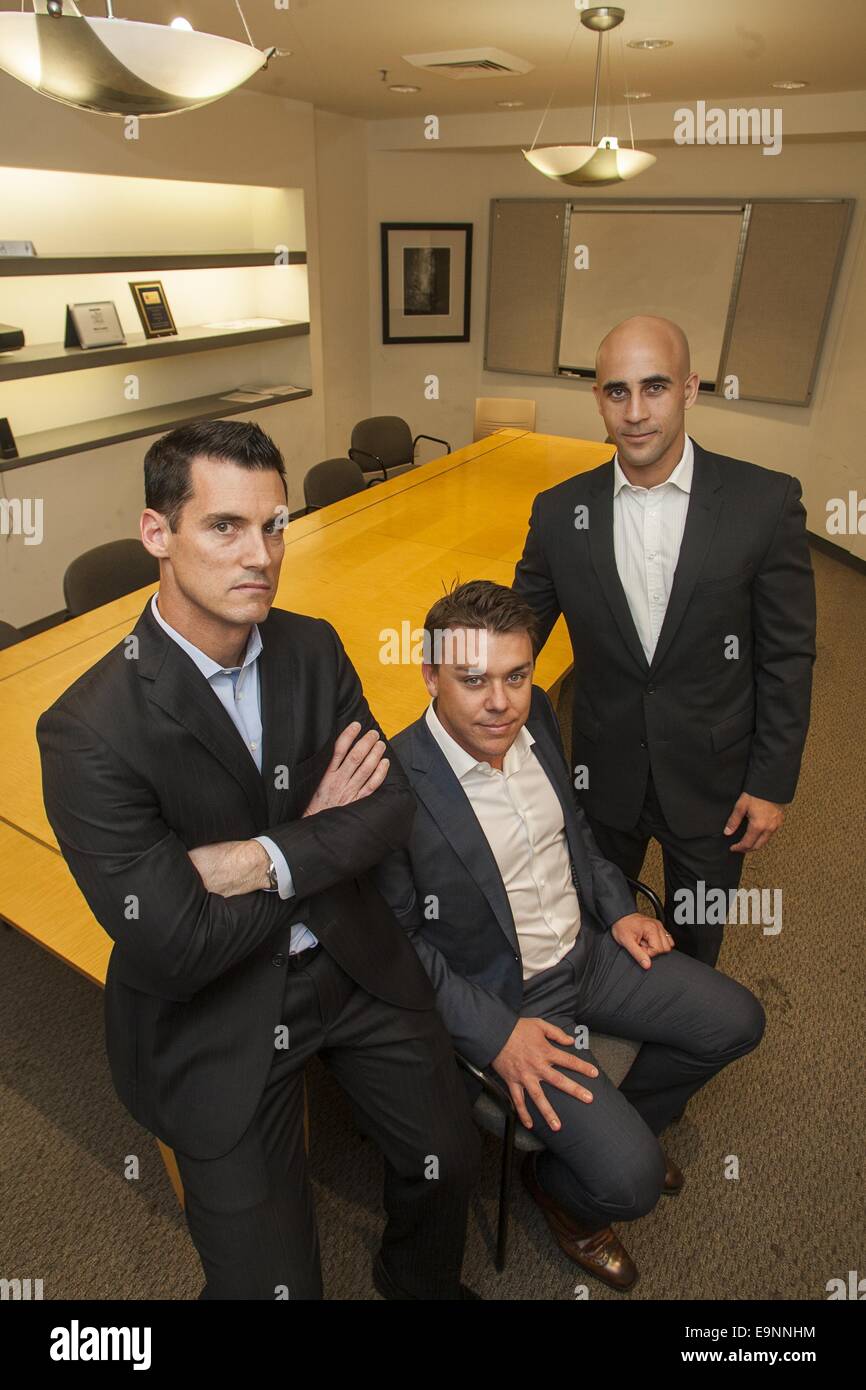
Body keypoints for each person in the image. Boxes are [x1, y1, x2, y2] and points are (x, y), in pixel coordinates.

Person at [36, 419, 480, 1301]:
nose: (261, 555)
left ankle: (415, 1284)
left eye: (274, 524)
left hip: (350, 957)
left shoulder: (311, 645)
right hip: (217, 1008)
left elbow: (390, 807)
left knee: (451, 1155)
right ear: (157, 535)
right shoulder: (88, 730)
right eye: (225, 526)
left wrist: (261, 856)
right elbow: (176, 941)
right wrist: (315, 835)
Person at [373, 580, 765, 1291]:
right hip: (511, 1001)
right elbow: (399, 949)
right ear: (429, 675)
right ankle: (564, 1191)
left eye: (516, 676)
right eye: (473, 681)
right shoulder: (391, 787)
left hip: (588, 951)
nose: (501, 703)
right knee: (633, 1186)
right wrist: (496, 1036)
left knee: (738, 1021)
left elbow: (574, 831)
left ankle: (616, 1134)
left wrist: (616, 908)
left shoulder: (539, 721)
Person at [512, 315, 816, 966]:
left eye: (655, 387)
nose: (636, 411)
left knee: (695, 945)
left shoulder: (763, 503)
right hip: (602, 772)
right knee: (598, 927)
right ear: (598, 398)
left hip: (715, 784)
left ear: (690, 389)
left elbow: (789, 654)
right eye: (616, 391)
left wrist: (772, 782)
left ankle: (678, 1054)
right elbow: (517, 634)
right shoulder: (560, 512)